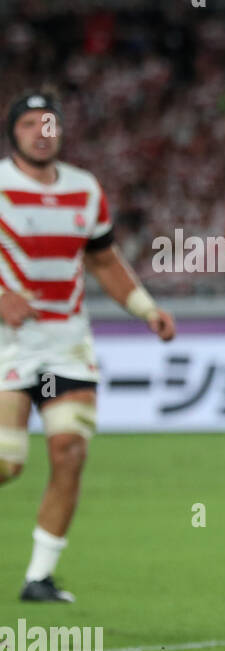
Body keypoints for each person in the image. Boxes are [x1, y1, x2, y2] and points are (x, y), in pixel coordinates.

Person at [0, 90, 176, 602]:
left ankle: (39, 576)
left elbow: (103, 261)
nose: (41, 132)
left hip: (65, 346)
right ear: (14, 133)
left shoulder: (84, 189)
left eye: (48, 122)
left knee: (69, 449)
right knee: (8, 463)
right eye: (30, 123)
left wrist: (147, 308)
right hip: (9, 344)